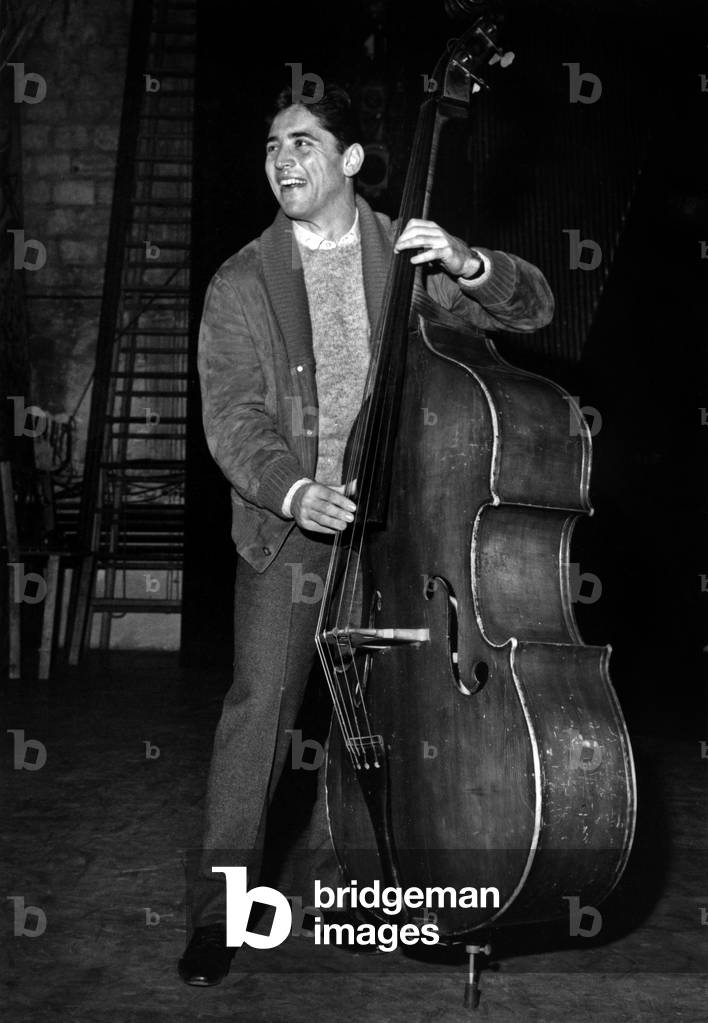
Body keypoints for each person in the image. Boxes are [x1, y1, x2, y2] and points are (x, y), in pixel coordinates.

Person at [178, 83, 554, 986]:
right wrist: (293, 489)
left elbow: (534, 307)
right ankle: (221, 912)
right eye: (272, 147)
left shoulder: (408, 255)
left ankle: (339, 888)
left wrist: (468, 264)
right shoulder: (241, 281)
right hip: (296, 530)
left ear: (350, 161)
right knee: (260, 714)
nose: (282, 160)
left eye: (304, 143)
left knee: (385, 724)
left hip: (407, 531)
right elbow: (231, 417)